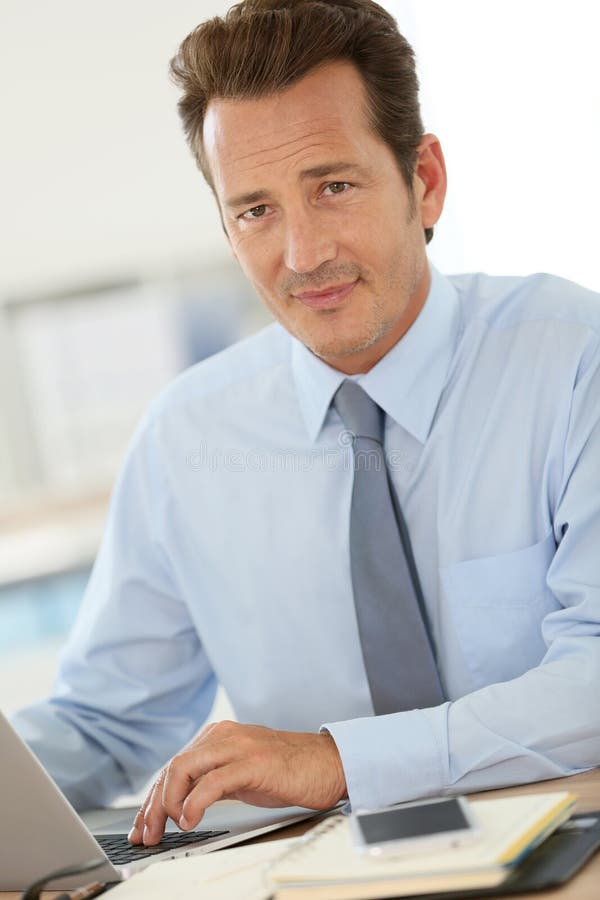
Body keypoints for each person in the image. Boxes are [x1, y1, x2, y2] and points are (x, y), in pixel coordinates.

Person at [13, 0, 600, 850]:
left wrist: (335, 760)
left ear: (423, 179)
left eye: (333, 186)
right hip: (314, 876)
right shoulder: (188, 438)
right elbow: (105, 723)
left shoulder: (573, 359)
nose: (302, 255)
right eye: (255, 210)